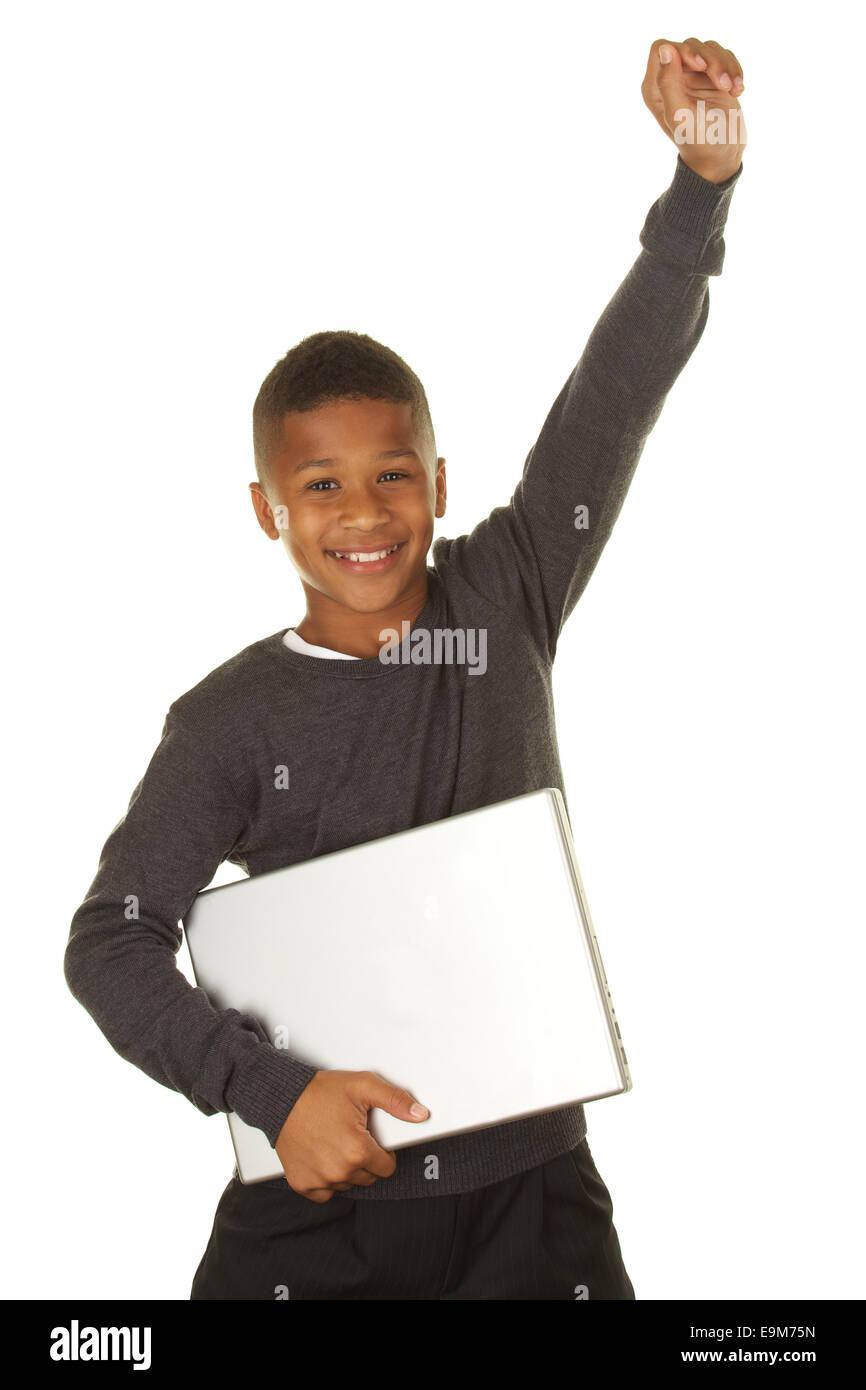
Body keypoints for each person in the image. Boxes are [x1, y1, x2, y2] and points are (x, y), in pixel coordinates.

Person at [64, 36, 745, 1300]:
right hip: (321, 1205)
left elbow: (612, 395)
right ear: (269, 511)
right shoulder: (225, 719)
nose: (361, 510)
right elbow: (110, 941)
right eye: (318, 484)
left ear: (436, 485)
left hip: (531, 1206)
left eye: (391, 474)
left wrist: (699, 187)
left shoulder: (506, 594)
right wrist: (270, 1093)